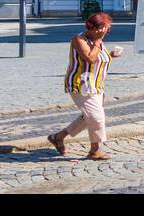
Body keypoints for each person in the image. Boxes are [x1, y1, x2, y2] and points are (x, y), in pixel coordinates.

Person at [48, 12, 124, 161]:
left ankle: (58, 137)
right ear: (98, 27)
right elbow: (89, 58)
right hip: (81, 85)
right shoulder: (79, 39)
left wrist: (110, 54)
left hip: (96, 85)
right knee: (96, 117)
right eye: (107, 27)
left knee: (86, 117)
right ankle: (95, 151)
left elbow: (98, 57)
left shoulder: (98, 41)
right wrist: (97, 42)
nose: (108, 31)